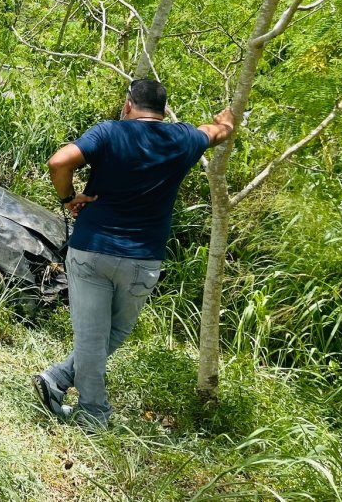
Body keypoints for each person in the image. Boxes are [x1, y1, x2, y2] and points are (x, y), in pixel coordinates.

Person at [34, 79, 234, 430]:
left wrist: (69, 198)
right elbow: (213, 133)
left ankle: (64, 385)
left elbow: (59, 162)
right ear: (164, 110)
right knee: (113, 334)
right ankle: (91, 410)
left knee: (94, 337)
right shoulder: (182, 138)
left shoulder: (110, 132)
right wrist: (227, 122)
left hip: (92, 249)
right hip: (142, 258)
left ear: (129, 105)